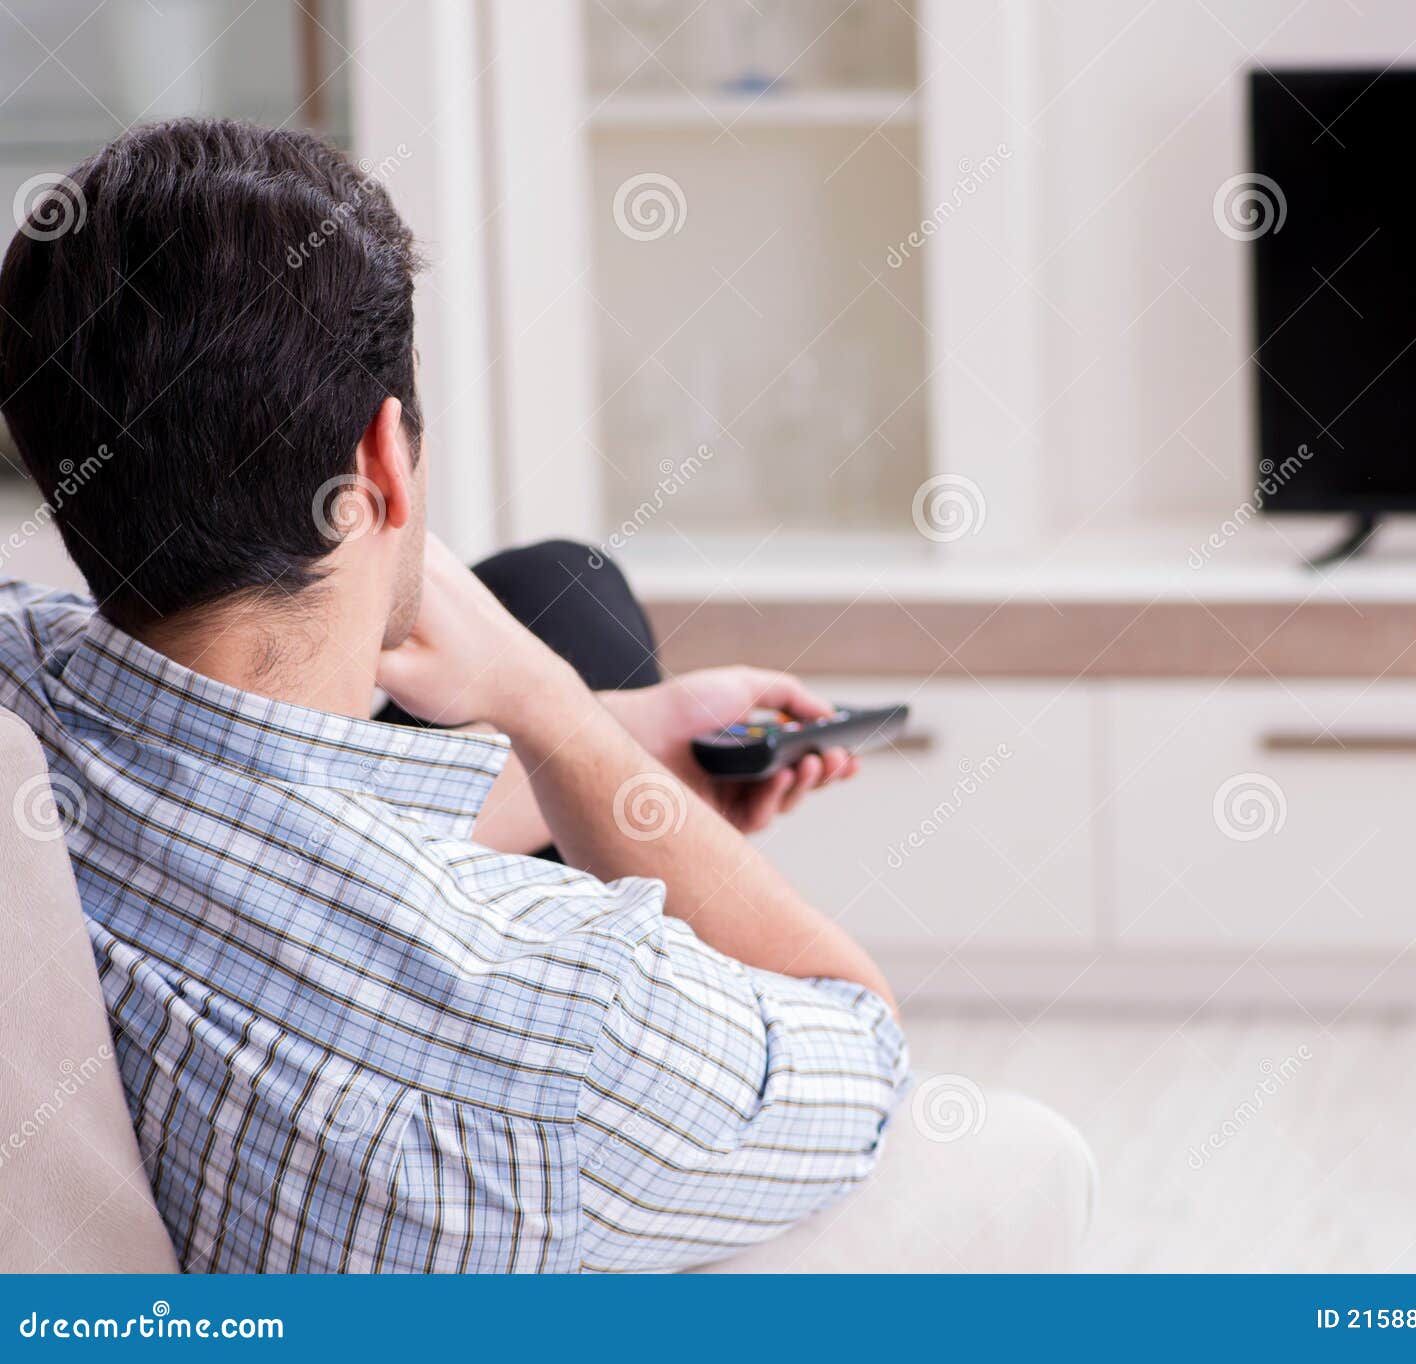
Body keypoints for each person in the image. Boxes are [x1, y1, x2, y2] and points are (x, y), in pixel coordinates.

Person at [0, 118, 906, 1273]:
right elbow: (860, 1045)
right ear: (381, 461)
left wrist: (615, 745)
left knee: (559, 585)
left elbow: (248, 833)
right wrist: (554, 704)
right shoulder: (566, 1027)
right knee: (563, 604)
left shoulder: (21, 680)